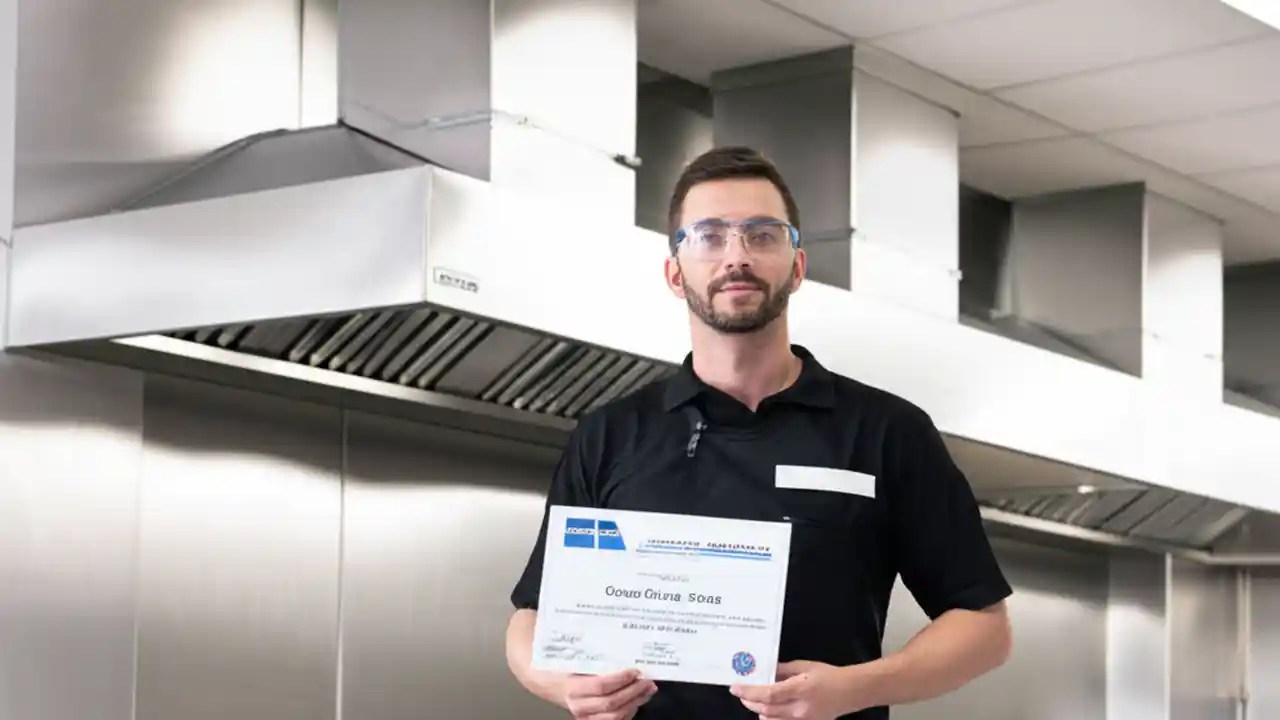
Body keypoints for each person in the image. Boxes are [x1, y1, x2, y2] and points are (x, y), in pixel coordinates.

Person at [504, 146, 1013, 719]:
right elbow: (531, 617)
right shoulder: (611, 434)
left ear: (796, 266)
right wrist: (563, 687)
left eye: (762, 235)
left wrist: (857, 687)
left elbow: (985, 627)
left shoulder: (887, 432)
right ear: (676, 273)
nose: (736, 257)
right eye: (710, 237)